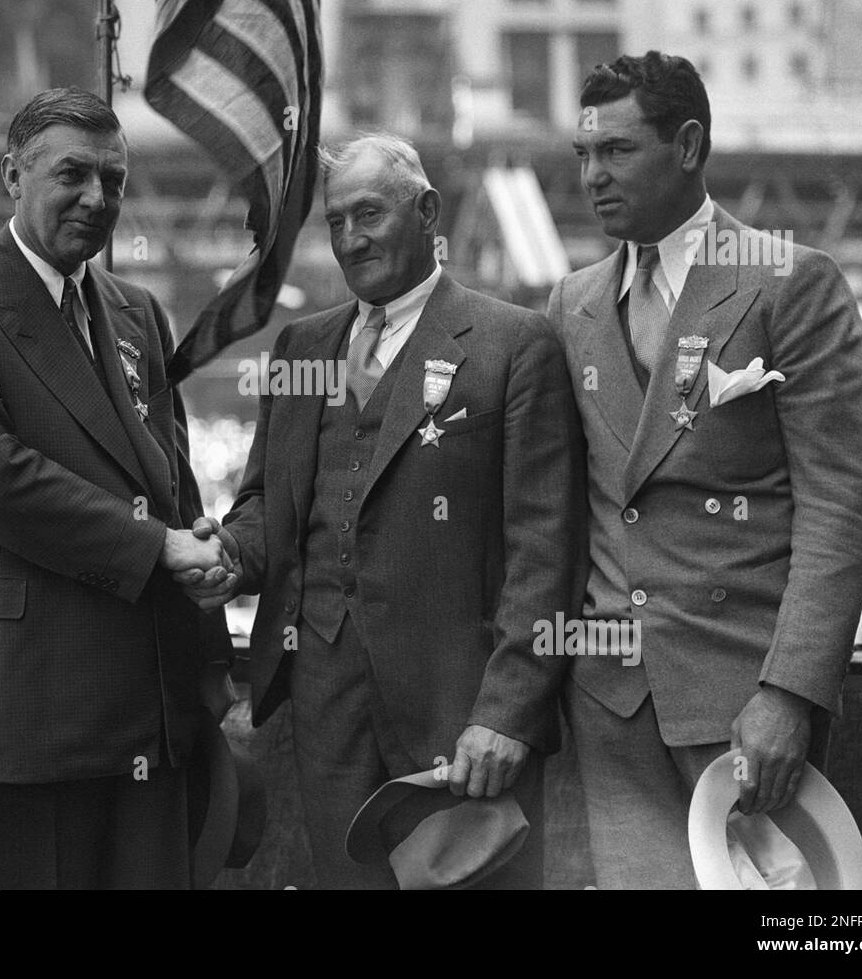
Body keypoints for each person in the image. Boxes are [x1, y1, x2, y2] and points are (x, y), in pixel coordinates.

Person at [182, 133, 586, 888]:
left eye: (368, 214)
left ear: (428, 211)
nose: (349, 238)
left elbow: (546, 551)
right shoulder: (304, 347)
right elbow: (268, 502)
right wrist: (229, 553)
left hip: (462, 716)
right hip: (324, 710)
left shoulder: (512, 343)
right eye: (335, 222)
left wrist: (506, 713)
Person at [549, 52, 862, 889]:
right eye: (584, 155)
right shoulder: (571, 305)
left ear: (689, 144)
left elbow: (840, 512)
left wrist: (791, 693)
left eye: (618, 152)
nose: (593, 176)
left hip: (746, 708)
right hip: (611, 707)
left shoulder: (791, 284)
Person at [0, 87, 234, 889]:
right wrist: (162, 547)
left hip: (153, 701)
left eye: (114, 181)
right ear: (12, 176)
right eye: (72, 175)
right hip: (38, 709)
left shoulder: (137, 313)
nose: (97, 198)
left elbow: (171, 478)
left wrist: (209, 549)